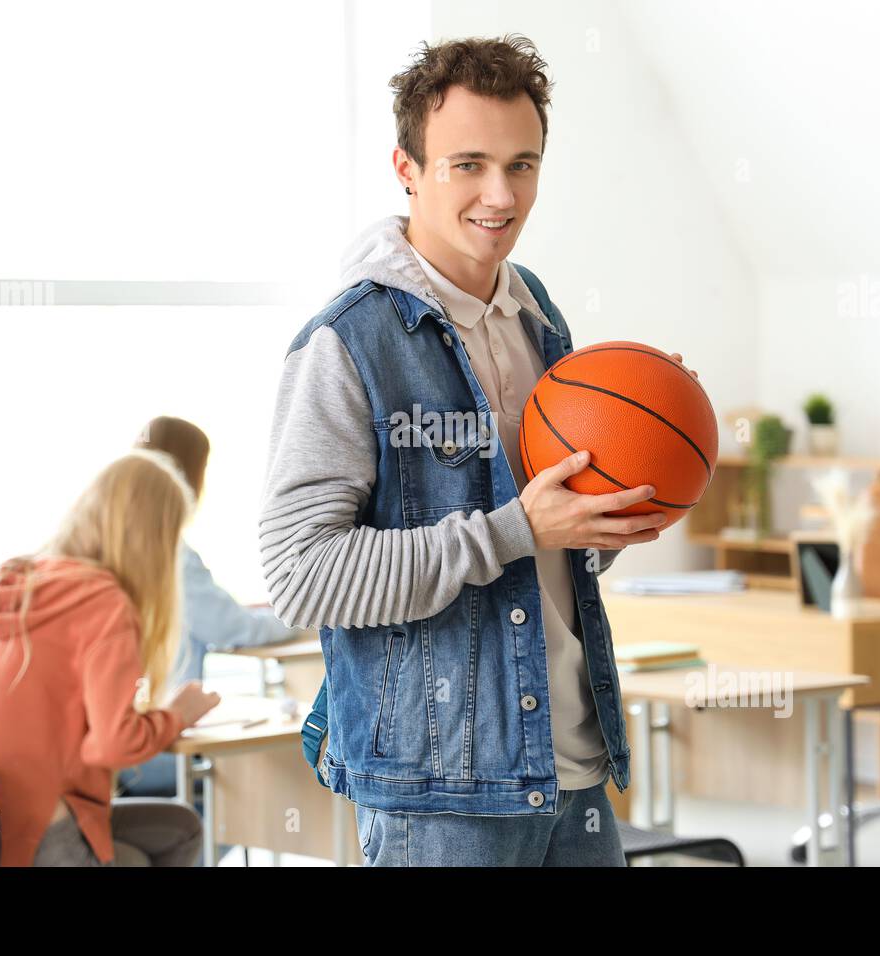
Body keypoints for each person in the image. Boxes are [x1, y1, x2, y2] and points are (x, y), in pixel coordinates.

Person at [260, 35, 700, 867]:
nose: (501, 195)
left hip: (574, 769)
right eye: (468, 164)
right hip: (441, 793)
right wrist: (512, 530)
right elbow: (300, 576)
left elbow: (554, 558)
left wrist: (646, 448)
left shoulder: (541, 319)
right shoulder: (347, 343)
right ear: (407, 167)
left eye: (523, 164)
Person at [0, 450, 221, 866]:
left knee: (179, 828)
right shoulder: (102, 601)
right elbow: (112, 744)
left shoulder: (9, 584)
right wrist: (176, 714)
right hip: (35, 837)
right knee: (149, 851)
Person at [119, 416, 302, 799]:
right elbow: (238, 629)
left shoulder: (118, 547)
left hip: (126, 741)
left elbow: (221, 617)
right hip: (155, 748)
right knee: (241, 792)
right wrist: (301, 611)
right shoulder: (170, 555)